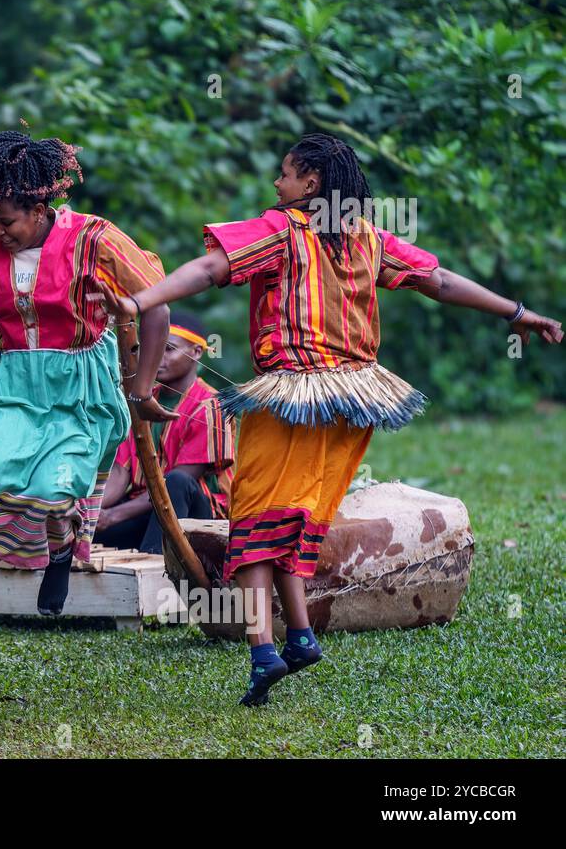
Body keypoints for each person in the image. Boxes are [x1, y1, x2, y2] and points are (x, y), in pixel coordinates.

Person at [92, 132, 563, 705]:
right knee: (295, 517)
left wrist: (140, 302)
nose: (276, 184)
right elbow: (437, 281)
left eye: (285, 174)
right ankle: (302, 637)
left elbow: (210, 268)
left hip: (295, 396)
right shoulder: (367, 238)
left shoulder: (281, 230)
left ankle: (264, 650)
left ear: (309, 184)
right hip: (355, 402)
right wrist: (516, 311)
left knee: (255, 520)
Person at [0, 131, 176, 616]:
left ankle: (61, 552)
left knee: (54, 485)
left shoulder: (94, 239)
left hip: (76, 380)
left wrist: (142, 385)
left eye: (8, 223)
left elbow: (157, 306)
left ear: (39, 207)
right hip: (7, 377)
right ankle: (0, 542)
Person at [95, 313, 234, 553]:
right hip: (147, 509)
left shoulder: (210, 405)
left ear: (197, 352)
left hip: (199, 515)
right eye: (152, 349)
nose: (158, 357)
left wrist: (114, 515)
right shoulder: (140, 402)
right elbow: (120, 472)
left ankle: (156, 567)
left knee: (176, 482)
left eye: (169, 349)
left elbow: (176, 484)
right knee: (85, 526)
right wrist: (91, 510)